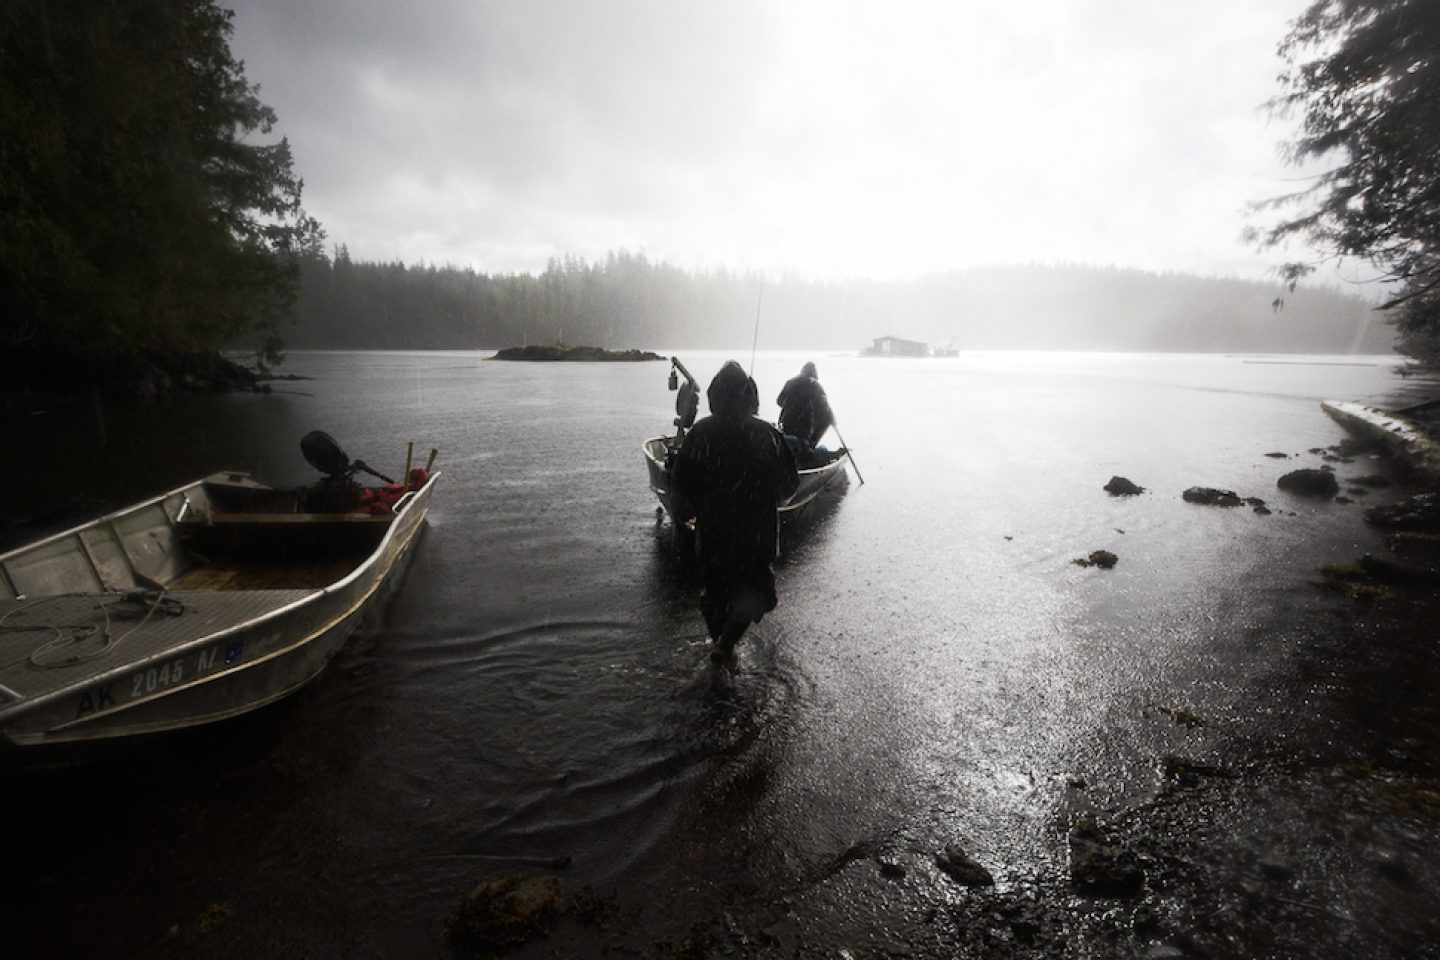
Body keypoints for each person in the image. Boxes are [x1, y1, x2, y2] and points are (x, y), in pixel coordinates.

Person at [671, 361, 799, 664]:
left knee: (714, 590)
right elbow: (789, 486)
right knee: (755, 590)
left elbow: (681, 484)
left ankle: (720, 646)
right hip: (757, 532)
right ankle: (725, 646)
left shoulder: (701, 432)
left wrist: (684, 517)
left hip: (714, 529)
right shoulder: (768, 435)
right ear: (750, 396)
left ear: (715, 395)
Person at [776, 361, 834, 448]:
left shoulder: (790, 382)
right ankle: (809, 451)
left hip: (787, 421)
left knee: (789, 445)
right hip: (805, 424)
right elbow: (824, 408)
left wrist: (791, 406)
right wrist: (832, 419)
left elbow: (779, 401)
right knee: (805, 444)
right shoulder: (815, 385)